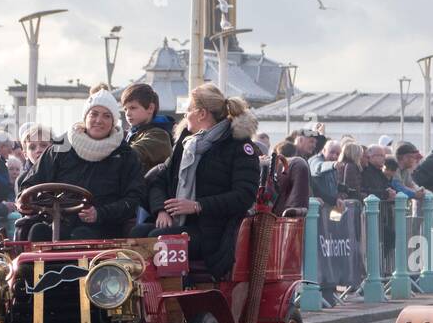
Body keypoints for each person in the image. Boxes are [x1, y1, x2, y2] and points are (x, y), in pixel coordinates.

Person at [136, 83, 261, 277]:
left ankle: (173, 299)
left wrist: (197, 205)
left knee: (157, 240)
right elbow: (160, 179)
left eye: (187, 112)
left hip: (215, 232)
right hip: (181, 223)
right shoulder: (186, 144)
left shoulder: (239, 147)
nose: (184, 117)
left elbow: (244, 196)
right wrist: (161, 209)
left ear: (201, 114)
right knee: (137, 234)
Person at [17, 88, 145, 239]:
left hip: (103, 229)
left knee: (81, 235)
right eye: (94, 114)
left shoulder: (125, 155)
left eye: (106, 116)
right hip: (57, 222)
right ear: (85, 117)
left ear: (113, 122)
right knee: (37, 231)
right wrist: (24, 200)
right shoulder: (59, 149)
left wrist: (100, 213)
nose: (99, 120)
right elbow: (31, 182)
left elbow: (133, 198)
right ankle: (34, 263)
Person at [121, 82, 175, 172]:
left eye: (133, 108)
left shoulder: (159, 135)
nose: (128, 113)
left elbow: (130, 154)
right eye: (125, 109)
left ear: (150, 108)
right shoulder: (132, 133)